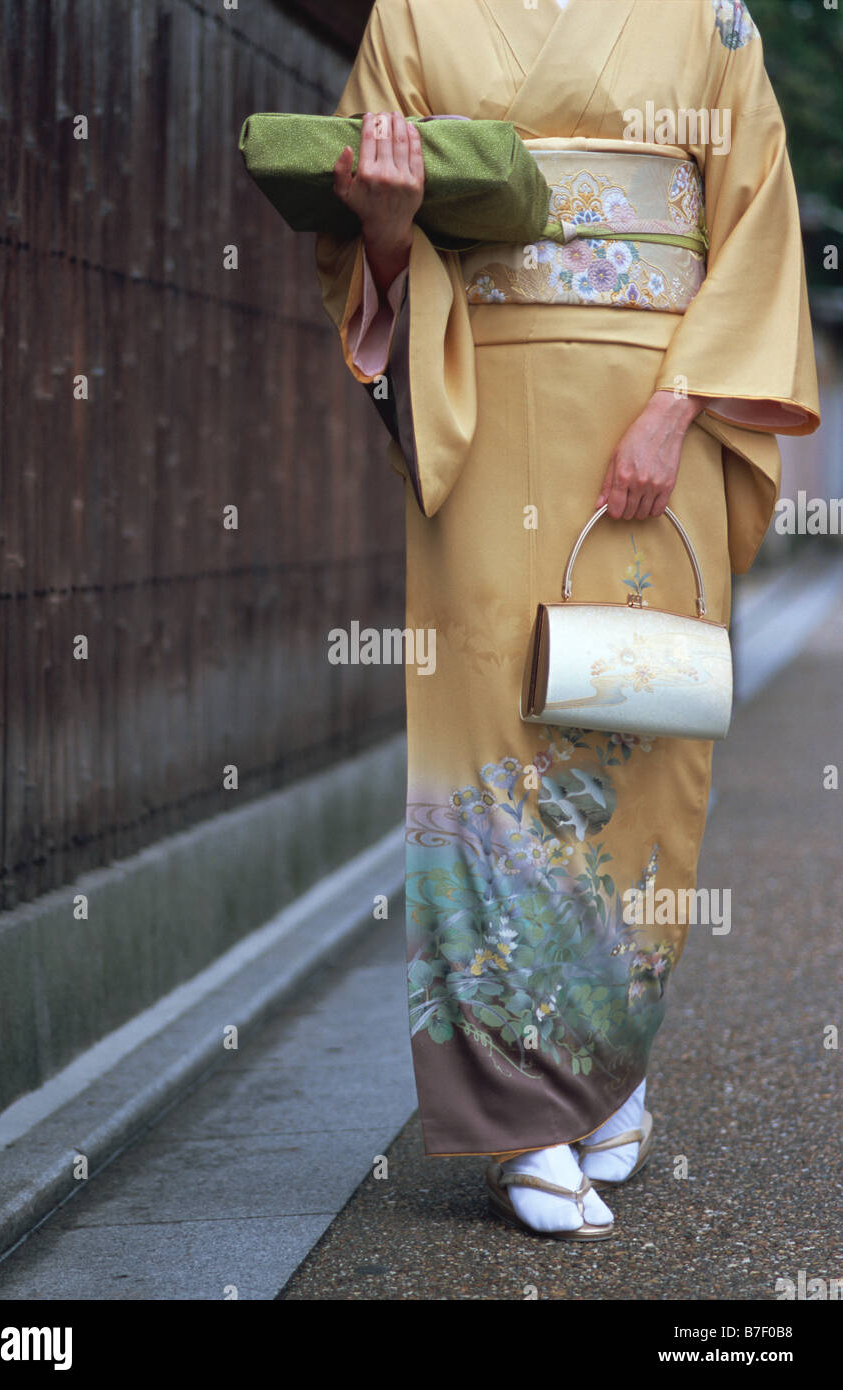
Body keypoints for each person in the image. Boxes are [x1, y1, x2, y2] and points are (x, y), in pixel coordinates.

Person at [314, 0, 820, 1238]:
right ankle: (519, 1117)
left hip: (661, 407)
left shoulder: (709, 15)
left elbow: (755, 215)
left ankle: (604, 1041)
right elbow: (361, 238)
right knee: (491, 735)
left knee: (644, 728)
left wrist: (683, 400)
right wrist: (383, 229)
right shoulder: (413, 16)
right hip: (480, 403)